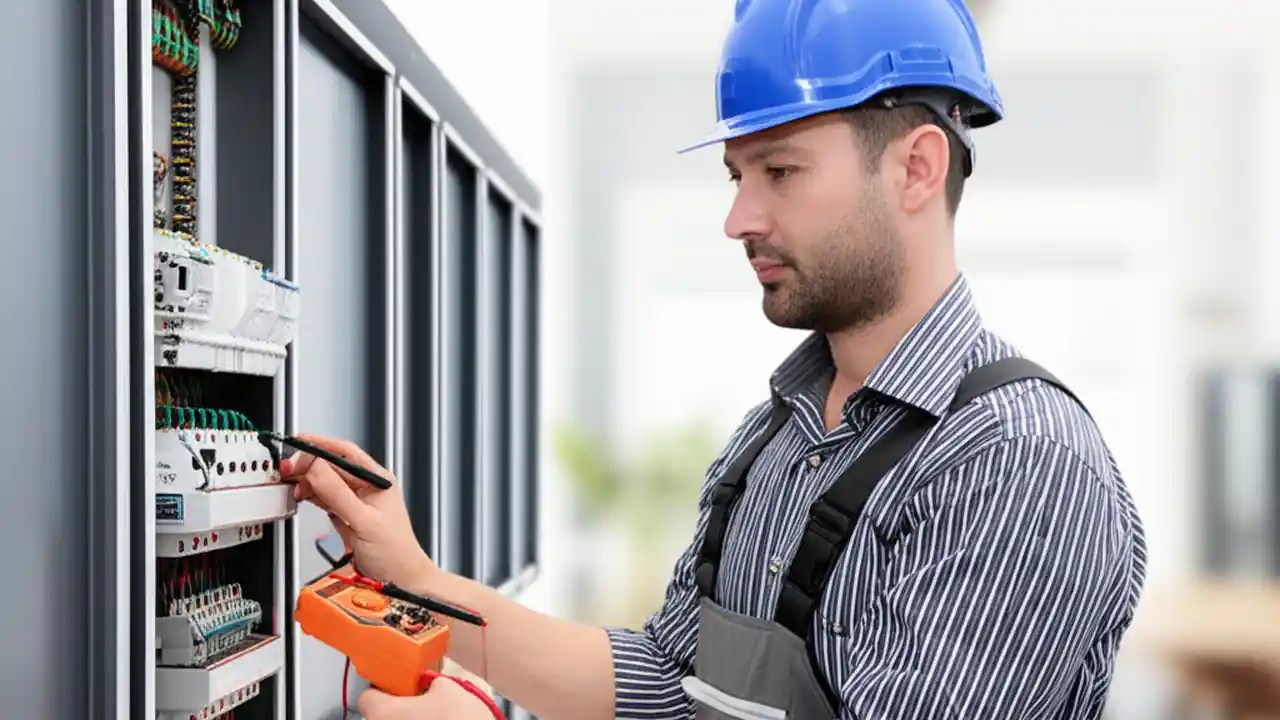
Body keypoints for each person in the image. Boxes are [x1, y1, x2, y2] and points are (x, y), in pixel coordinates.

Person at [282, 0, 1148, 717]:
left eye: (779, 170)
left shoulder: (1017, 462)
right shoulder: (777, 435)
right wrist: (414, 581)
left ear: (916, 170)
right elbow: (664, 680)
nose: (738, 219)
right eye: (736, 176)